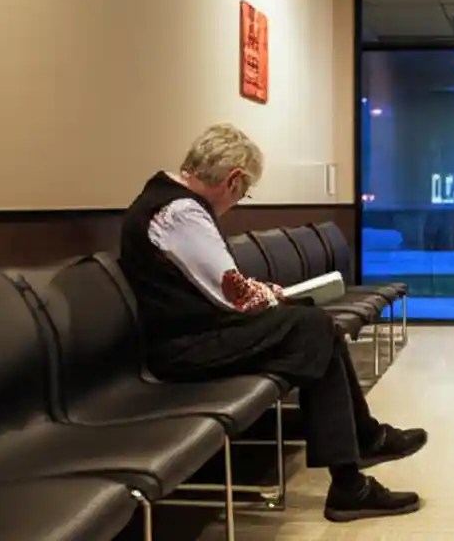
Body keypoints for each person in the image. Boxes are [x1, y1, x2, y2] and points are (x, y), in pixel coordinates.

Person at [119, 123, 425, 522]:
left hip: (196, 333)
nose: (239, 201)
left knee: (315, 328)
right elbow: (236, 294)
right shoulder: (180, 213)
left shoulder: (168, 203)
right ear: (233, 180)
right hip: (184, 348)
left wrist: (272, 294)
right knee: (312, 327)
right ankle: (354, 471)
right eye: (244, 193)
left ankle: (361, 449)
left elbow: (218, 285)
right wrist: (277, 295)